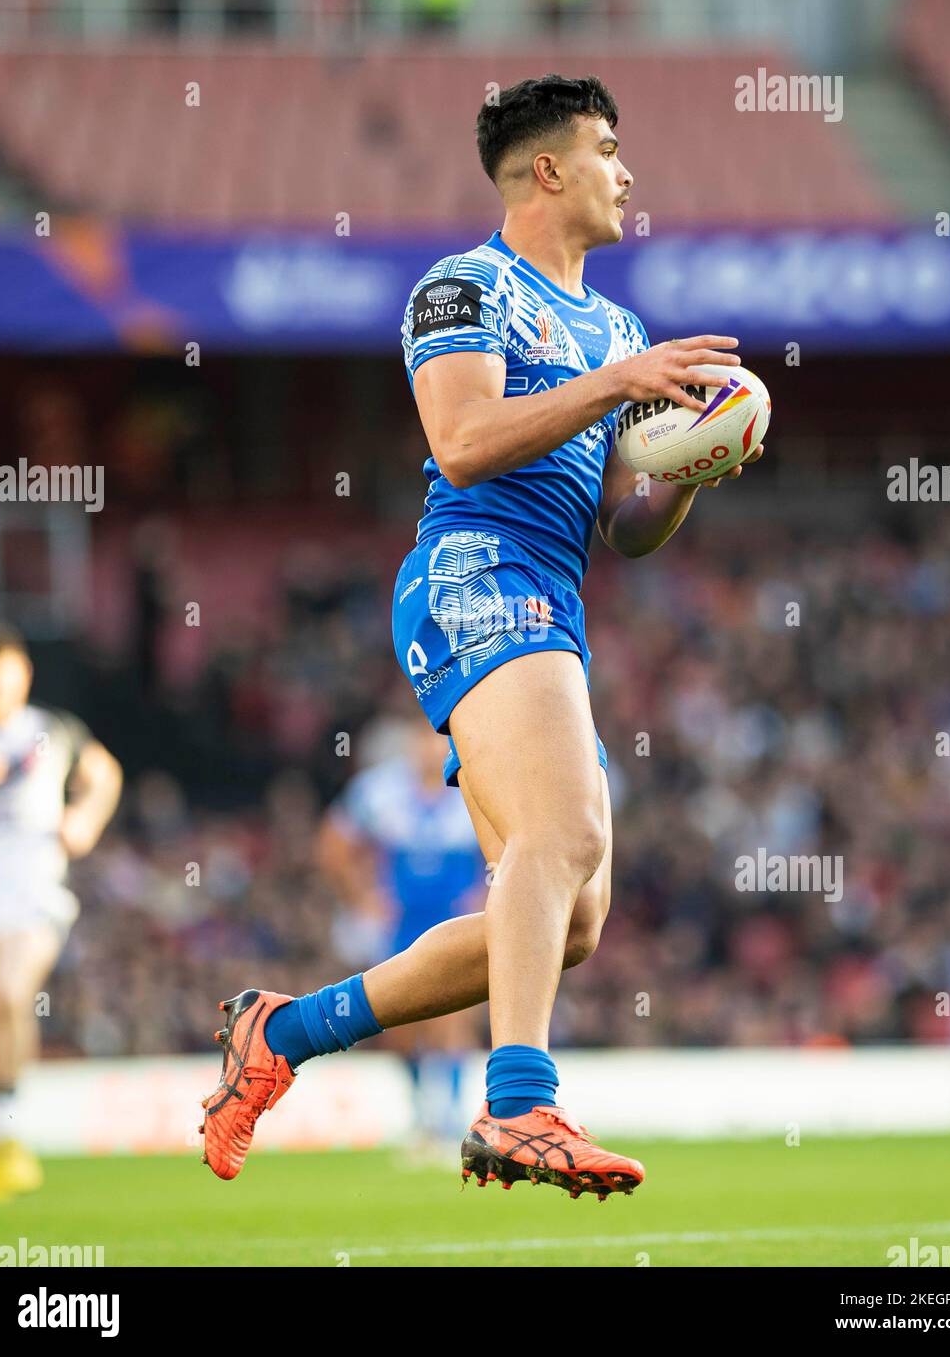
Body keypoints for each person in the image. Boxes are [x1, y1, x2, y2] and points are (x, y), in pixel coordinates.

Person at [201, 74, 761, 1199]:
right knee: (560, 833)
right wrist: (616, 385)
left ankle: (283, 1030)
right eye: (608, 148)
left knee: (567, 915)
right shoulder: (463, 290)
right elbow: (459, 443)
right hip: (474, 572)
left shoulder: (615, 326)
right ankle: (518, 1107)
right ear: (545, 169)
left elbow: (623, 525)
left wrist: (693, 469)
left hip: (553, 594)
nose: (627, 170)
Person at [0, 621, 122, 1202]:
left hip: (32, 895)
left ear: (23, 675)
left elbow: (103, 774)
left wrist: (83, 817)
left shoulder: (51, 731)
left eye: (0, 672)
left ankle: (8, 1139)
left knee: (6, 995)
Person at [316, 713, 486, 1155]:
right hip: (401, 922)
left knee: (453, 1017)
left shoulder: (477, 781)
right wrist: (362, 897)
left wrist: (485, 894)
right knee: (399, 1024)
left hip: (454, 918)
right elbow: (334, 843)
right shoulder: (379, 790)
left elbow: (508, 844)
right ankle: (421, 1113)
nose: (431, 749)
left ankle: (447, 1121)